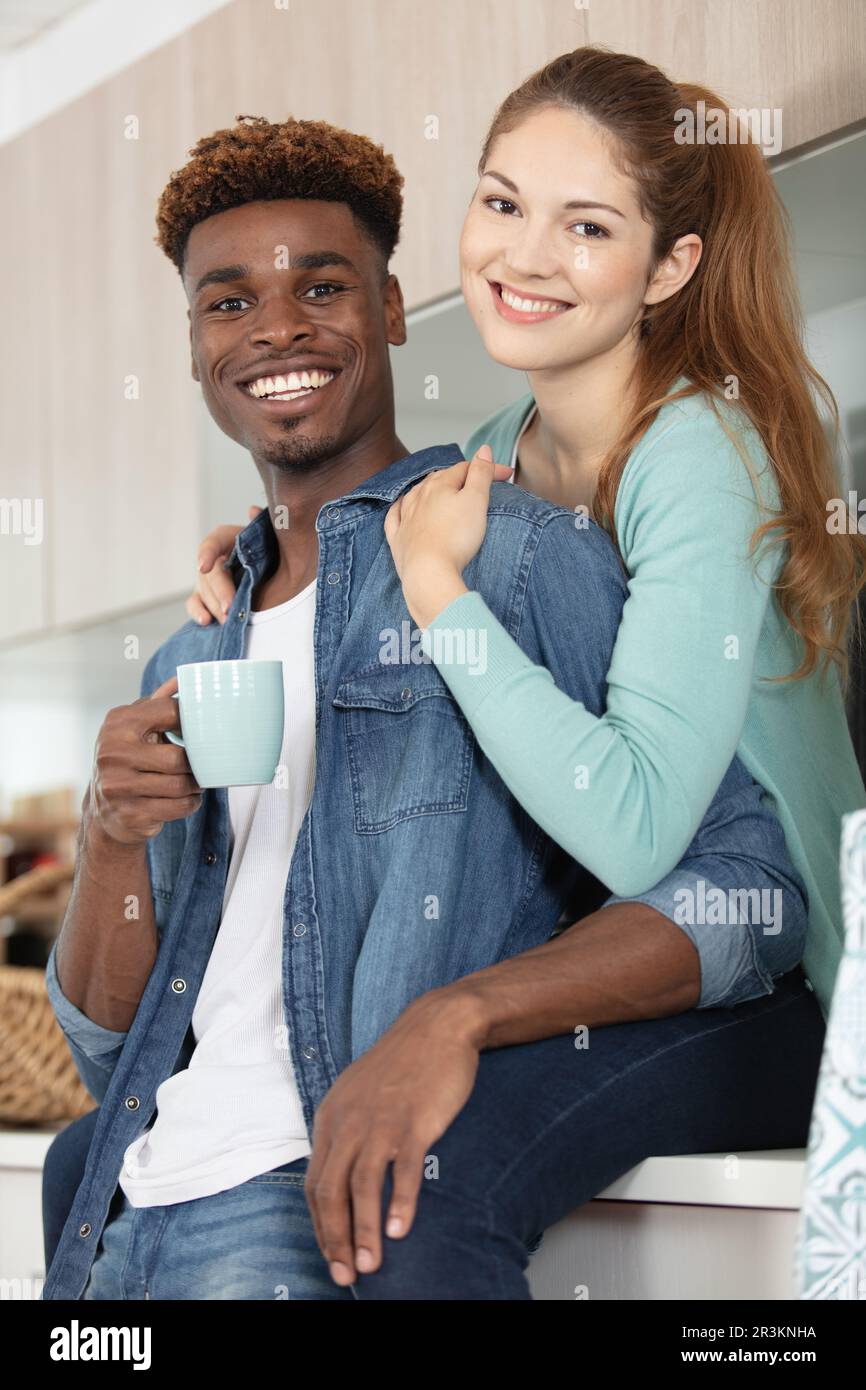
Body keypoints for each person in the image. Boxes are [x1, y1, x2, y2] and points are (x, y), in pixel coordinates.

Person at [44, 69, 826, 1304]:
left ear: (394, 308)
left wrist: (449, 1015)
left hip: (790, 962)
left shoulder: (638, 482)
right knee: (83, 1162)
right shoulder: (450, 492)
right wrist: (252, 571)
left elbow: (696, 859)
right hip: (154, 1199)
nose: (276, 329)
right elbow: (112, 1052)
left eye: (321, 286)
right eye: (504, 203)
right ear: (191, 342)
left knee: (426, 1205)